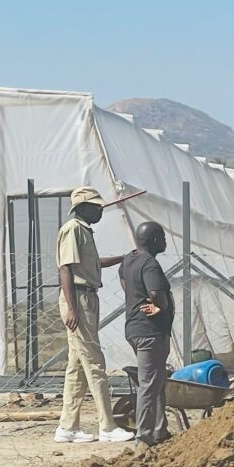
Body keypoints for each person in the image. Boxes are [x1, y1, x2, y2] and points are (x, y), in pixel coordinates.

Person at [54, 187, 134, 444]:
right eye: (96, 206)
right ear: (83, 207)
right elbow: (65, 268)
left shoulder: (84, 230)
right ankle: (108, 426)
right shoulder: (72, 229)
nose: (100, 210)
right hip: (77, 299)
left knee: (77, 366)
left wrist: (125, 257)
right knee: (95, 362)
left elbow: (93, 264)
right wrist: (72, 307)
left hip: (87, 297)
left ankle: (67, 427)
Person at [120, 221, 174, 451]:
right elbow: (155, 292)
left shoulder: (129, 259)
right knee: (149, 385)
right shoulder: (150, 264)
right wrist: (158, 306)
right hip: (150, 332)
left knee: (156, 381)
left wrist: (137, 298)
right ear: (153, 241)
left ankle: (160, 431)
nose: (165, 241)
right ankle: (143, 438)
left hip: (134, 328)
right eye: (162, 237)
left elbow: (123, 278)